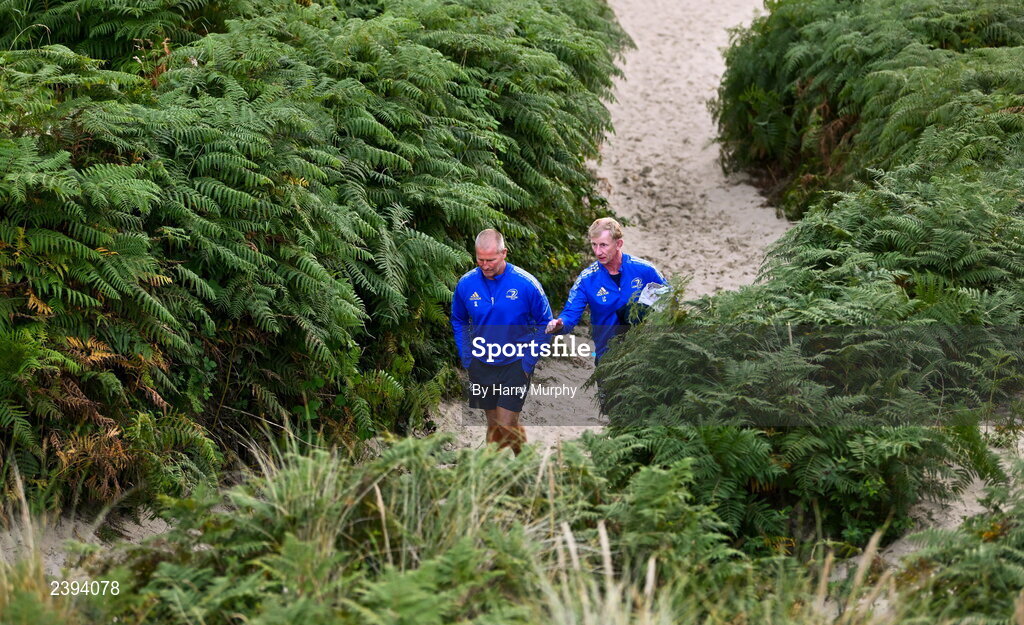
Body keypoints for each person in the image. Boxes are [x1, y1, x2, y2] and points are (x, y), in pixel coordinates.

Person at [450, 229, 553, 455]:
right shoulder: (466, 284)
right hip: (482, 362)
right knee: (494, 426)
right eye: (480, 260)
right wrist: (467, 356)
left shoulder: (526, 284)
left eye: (491, 260)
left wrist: (528, 362)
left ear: (504, 253)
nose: (485, 265)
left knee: (506, 424)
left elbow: (546, 323)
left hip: (515, 362)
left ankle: (518, 469)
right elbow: (458, 319)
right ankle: (503, 473)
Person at [546, 217, 667, 365]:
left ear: (619, 244)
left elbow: (670, 301)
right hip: (607, 359)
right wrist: (559, 324)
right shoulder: (586, 279)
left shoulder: (645, 270)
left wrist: (648, 311)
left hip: (645, 358)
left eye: (603, 245)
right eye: (594, 245)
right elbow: (570, 314)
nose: (598, 251)